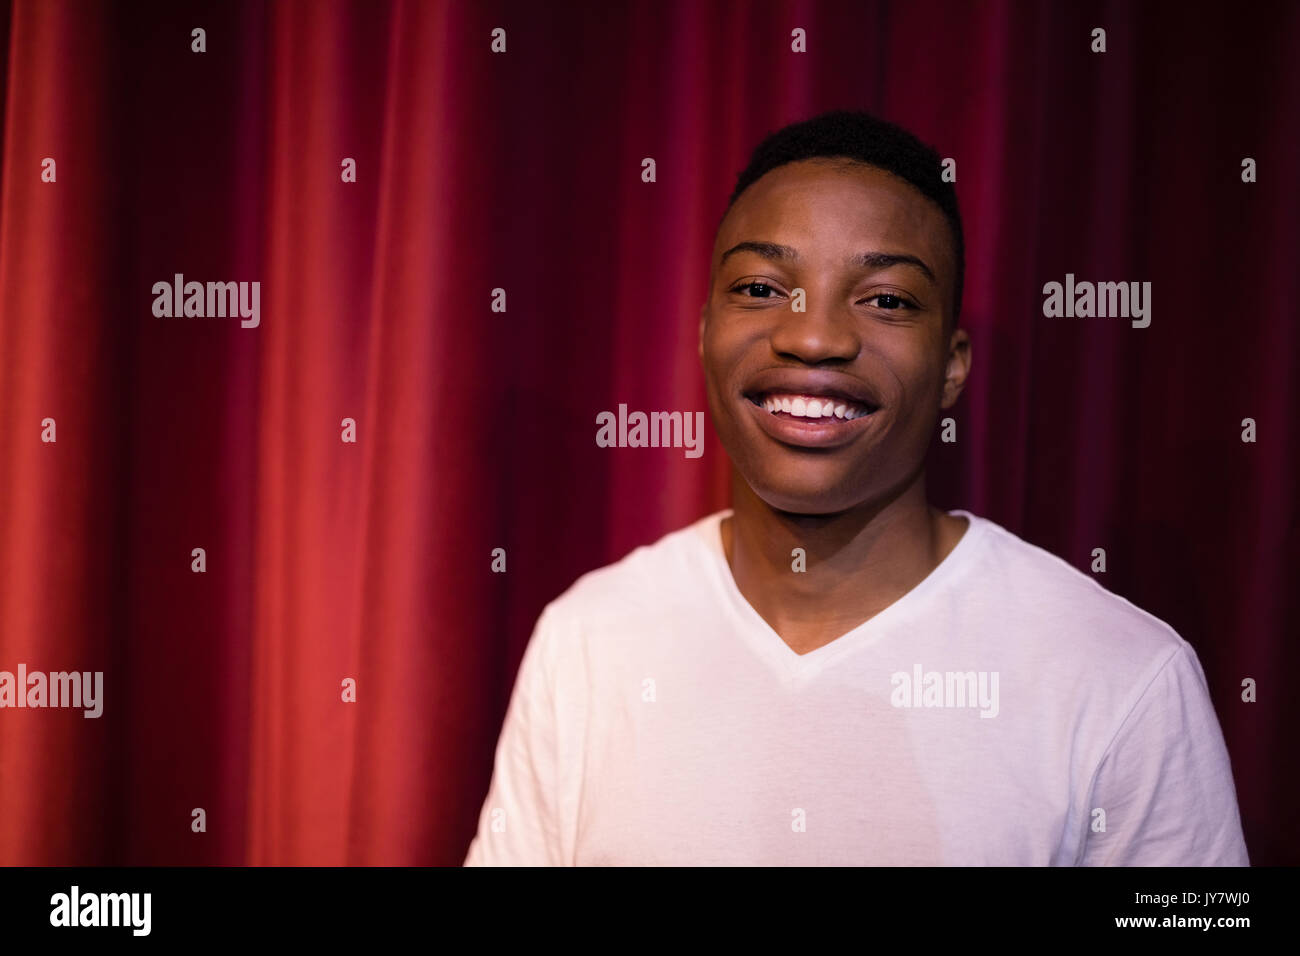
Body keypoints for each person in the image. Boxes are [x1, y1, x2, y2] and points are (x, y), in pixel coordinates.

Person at [464, 110, 1250, 866]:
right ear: (705, 333)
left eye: (886, 301)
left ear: (951, 366)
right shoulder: (588, 640)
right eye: (762, 288)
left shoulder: (1121, 679)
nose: (813, 336)